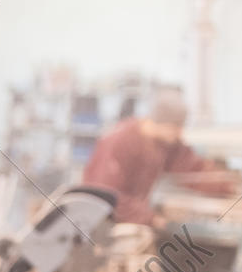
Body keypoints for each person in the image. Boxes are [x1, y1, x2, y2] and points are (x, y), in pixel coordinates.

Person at [81, 88, 232, 226]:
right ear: (158, 121)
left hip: (132, 219)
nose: (179, 133)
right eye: (175, 127)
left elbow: (192, 168)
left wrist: (227, 186)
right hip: (102, 223)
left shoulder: (166, 142)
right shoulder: (120, 141)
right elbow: (106, 195)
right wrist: (150, 218)